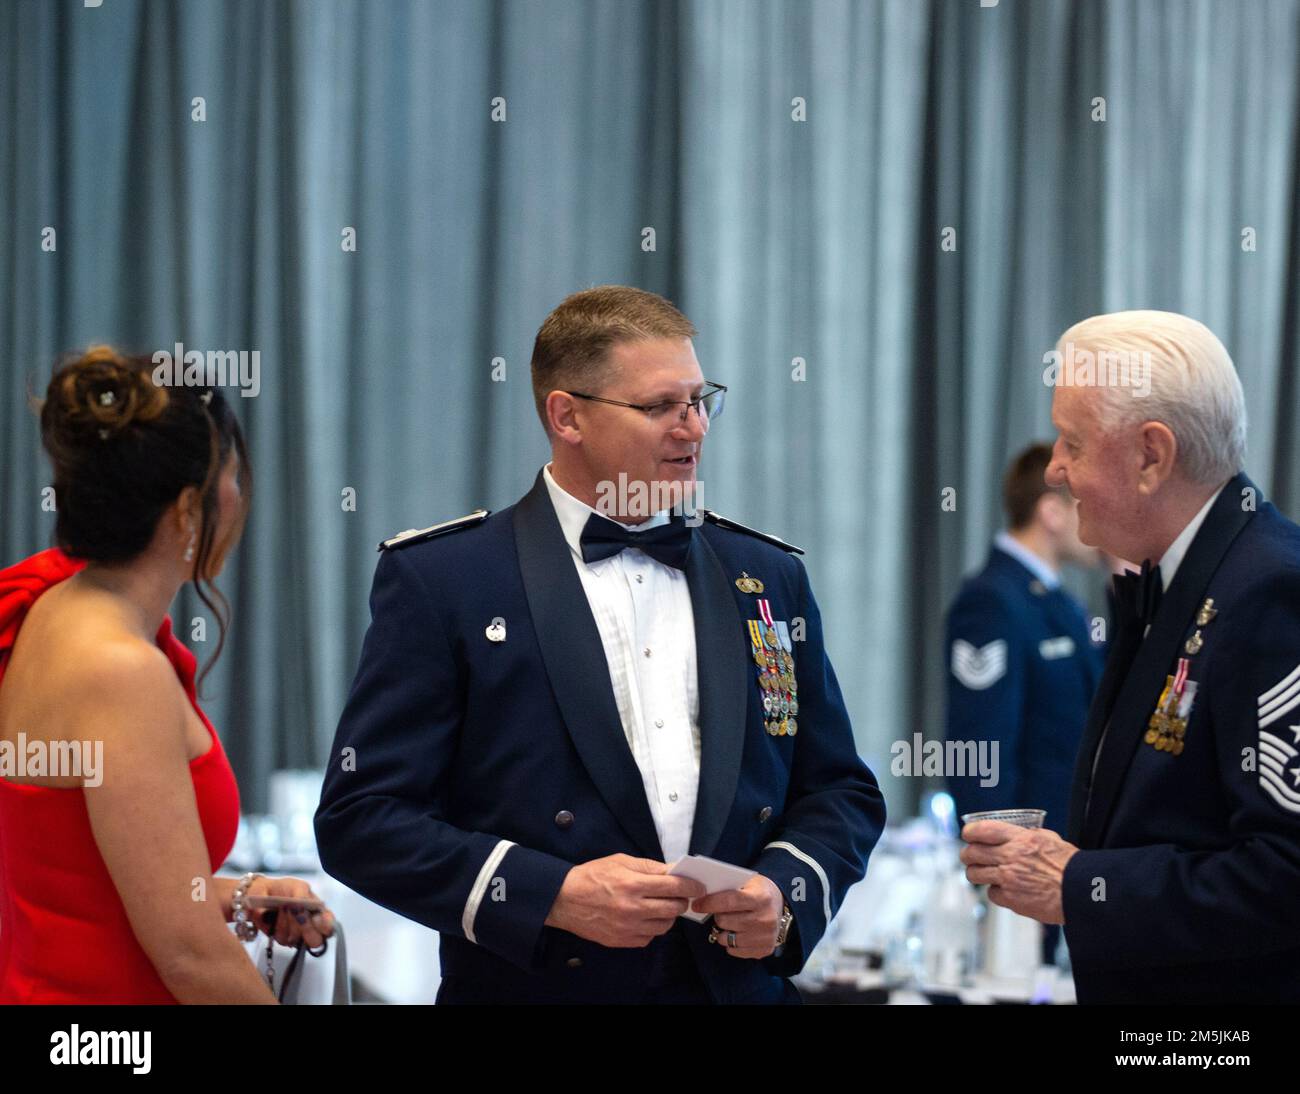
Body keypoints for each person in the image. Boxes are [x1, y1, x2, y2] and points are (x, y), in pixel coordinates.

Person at [315, 285, 885, 1004]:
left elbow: (838, 788)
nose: (695, 428)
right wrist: (551, 893)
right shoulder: (446, 580)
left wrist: (785, 892)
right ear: (567, 415)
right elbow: (361, 819)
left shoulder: (765, 576)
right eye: (660, 407)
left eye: (701, 398)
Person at [960, 310, 1300, 1003]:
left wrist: (1083, 885)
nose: (1053, 468)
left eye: (1073, 443)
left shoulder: (1269, 591)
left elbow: (1286, 873)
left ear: (1151, 455)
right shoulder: (1183, 578)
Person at [0, 346, 333, 1003]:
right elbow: (188, 956)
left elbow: (88, 876)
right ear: (187, 509)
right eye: (233, 474)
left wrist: (236, 894)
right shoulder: (120, 669)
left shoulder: (51, 606)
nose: (240, 497)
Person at [944, 442, 1105, 838]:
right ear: (1051, 512)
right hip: (1029, 856)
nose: (1098, 520)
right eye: (1084, 505)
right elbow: (980, 748)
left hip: (1069, 844)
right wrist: (997, 859)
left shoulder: (1058, 599)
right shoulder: (991, 601)